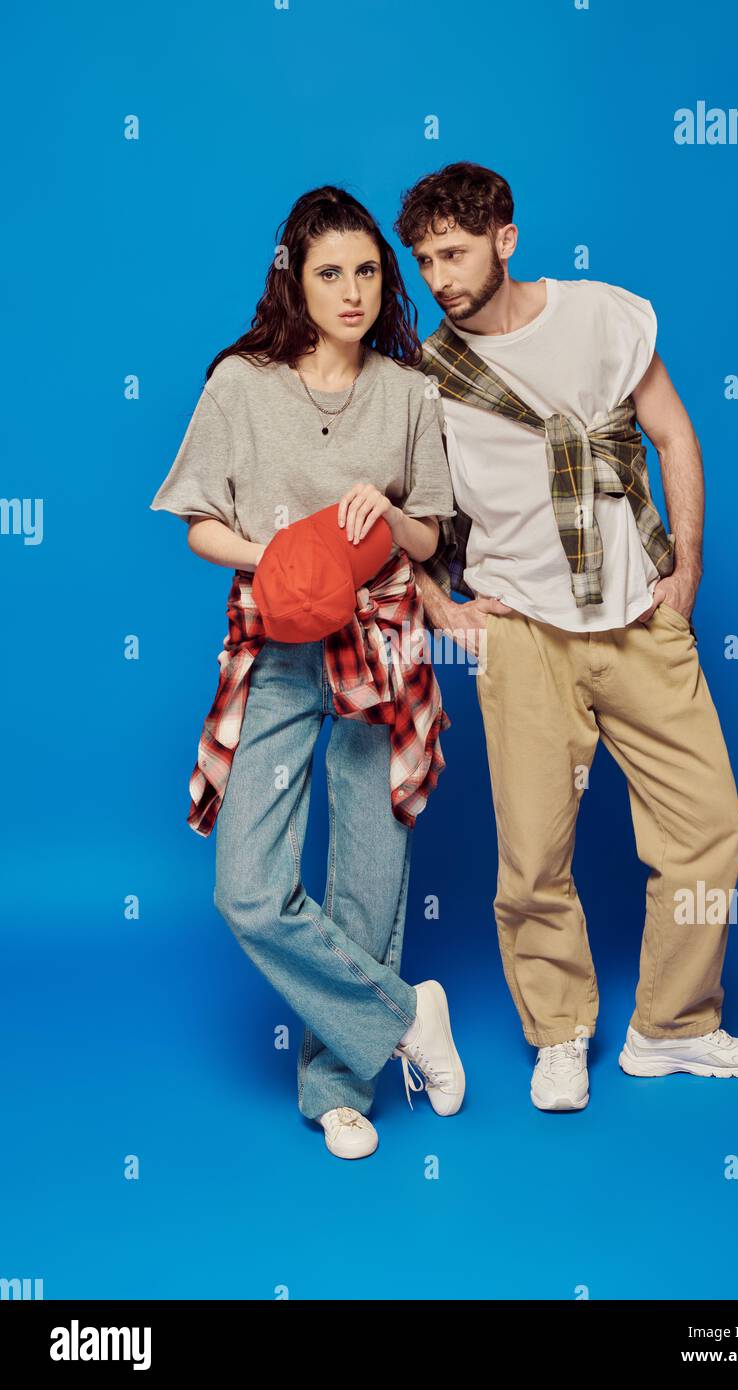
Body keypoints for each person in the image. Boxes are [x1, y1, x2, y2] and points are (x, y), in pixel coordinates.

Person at [393, 161, 738, 1111]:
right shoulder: (427, 378)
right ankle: (558, 1036)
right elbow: (403, 516)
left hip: (640, 618)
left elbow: (675, 437)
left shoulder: (605, 317)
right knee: (531, 860)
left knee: (706, 827)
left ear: (504, 238)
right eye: (424, 259)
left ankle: (672, 1028)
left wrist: (683, 577)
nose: (438, 276)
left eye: (454, 251)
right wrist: (444, 610)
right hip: (524, 633)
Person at [150, 185, 466, 1159]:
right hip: (281, 641)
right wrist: (289, 558)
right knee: (248, 887)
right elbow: (199, 521)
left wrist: (386, 515)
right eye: (329, 272)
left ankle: (338, 1086)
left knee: (368, 878)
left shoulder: (410, 391)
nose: (352, 291)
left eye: (367, 271)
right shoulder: (242, 384)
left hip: (381, 643)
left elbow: (433, 535)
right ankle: (407, 1016)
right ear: (294, 275)